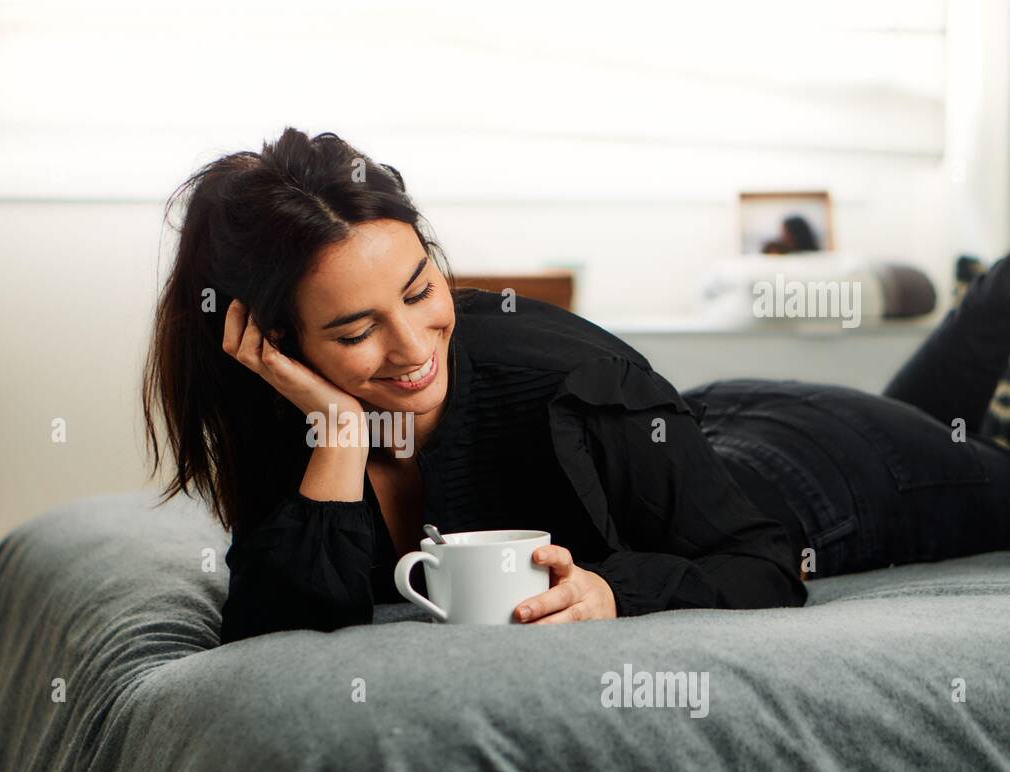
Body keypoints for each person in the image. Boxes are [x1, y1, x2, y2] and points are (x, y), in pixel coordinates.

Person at [140, 127, 1010, 644]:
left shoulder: (562, 376)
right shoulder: (293, 409)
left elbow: (764, 562)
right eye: (356, 330)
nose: (412, 349)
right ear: (274, 344)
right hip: (702, 429)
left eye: (419, 291)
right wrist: (338, 433)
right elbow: (275, 633)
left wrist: (612, 592)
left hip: (830, 478)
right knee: (950, 409)